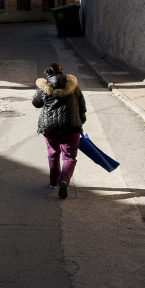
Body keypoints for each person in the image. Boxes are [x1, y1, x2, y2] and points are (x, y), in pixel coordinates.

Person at [32, 62, 87, 199]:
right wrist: (81, 120)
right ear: (62, 72)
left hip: (50, 127)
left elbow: (36, 103)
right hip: (71, 126)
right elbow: (82, 104)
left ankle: (53, 182)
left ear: (47, 73)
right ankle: (64, 180)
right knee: (69, 157)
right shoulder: (73, 85)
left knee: (53, 154)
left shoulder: (44, 86)